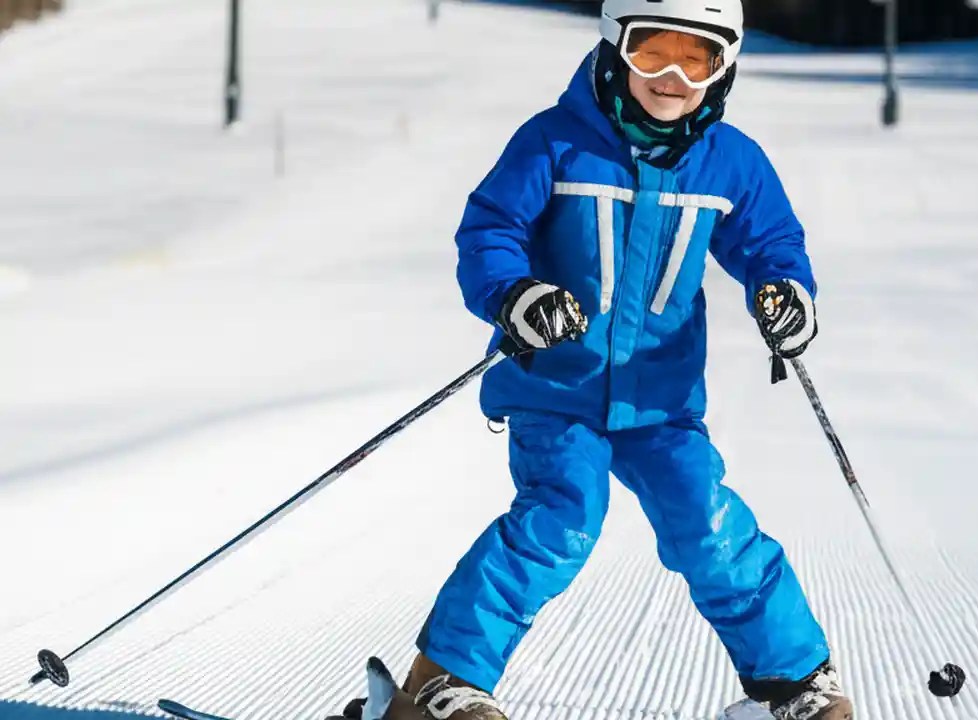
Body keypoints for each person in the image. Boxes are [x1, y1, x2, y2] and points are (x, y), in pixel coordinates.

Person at [330, 1, 850, 718]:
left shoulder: (731, 162)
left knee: (707, 521)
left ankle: (793, 687)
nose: (671, 76)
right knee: (561, 518)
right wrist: (517, 296)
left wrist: (786, 295)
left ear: (724, 68)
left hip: (661, 401)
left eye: (695, 59)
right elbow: (490, 230)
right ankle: (436, 686)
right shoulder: (554, 144)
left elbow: (773, 247)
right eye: (652, 52)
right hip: (554, 389)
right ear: (616, 49)